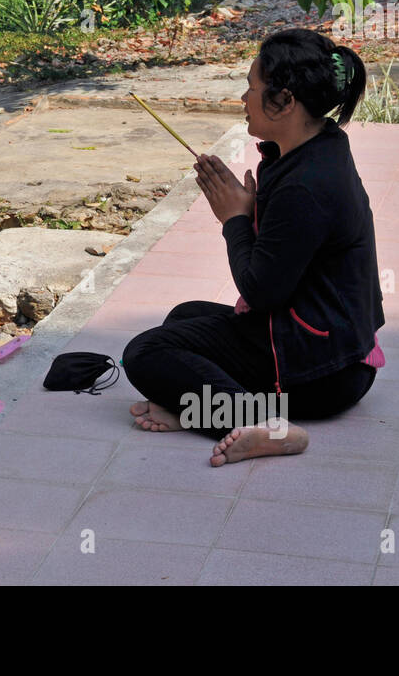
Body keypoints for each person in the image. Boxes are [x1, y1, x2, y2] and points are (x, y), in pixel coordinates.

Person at [123, 28, 385, 466]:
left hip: (323, 375)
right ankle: (200, 409)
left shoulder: (305, 185)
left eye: (252, 87)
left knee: (146, 353)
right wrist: (251, 208)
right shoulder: (322, 146)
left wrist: (236, 220)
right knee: (184, 317)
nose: (243, 98)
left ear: (284, 101)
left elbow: (262, 290)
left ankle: (264, 424)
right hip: (337, 354)